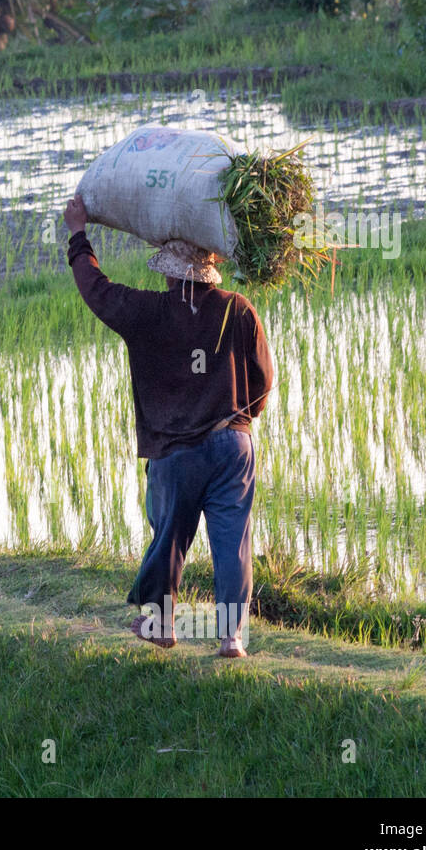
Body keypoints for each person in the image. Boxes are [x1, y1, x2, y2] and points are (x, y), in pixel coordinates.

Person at [63, 194, 275, 658]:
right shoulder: (239, 309)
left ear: (169, 272)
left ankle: (160, 623)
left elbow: (97, 290)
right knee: (232, 538)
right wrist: (240, 421)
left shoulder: (149, 312)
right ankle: (231, 637)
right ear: (208, 270)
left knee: (169, 537)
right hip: (233, 445)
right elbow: (264, 378)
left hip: (177, 452)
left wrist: (79, 235)